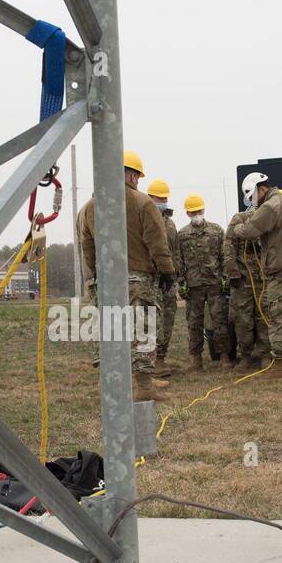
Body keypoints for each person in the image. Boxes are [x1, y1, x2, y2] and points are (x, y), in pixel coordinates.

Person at [78, 150, 177, 402]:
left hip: (105, 281)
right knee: (142, 332)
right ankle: (143, 386)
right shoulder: (142, 202)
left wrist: (96, 277)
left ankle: (108, 385)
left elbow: (87, 247)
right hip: (138, 280)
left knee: (111, 331)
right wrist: (166, 271)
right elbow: (157, 242)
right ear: (131, 175)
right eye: (137, 176)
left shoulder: (90, 206)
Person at [234, 172, 282, 378]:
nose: (253, 203)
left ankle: (280, 366)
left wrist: (237, 228)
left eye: (252, 197)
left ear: (261, 189)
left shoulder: (271, 206)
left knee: (280, 317)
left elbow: (250, 230)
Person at [176, 193, 230, 371]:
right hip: (193, 286)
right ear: (187, 214)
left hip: (215, 284)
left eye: (198, 211)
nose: (196, 214)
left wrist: (225, 278)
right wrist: (181, 282)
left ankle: (224, 356)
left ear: (204, 209)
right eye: (192, 212)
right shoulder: (182, 235)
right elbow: (179, 260)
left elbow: (224, 257)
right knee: (194, 323)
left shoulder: (216, 231)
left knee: (220, 321)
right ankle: (195, 358)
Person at [224, 205, 270, 373]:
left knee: (264, 315)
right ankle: (246, 356)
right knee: (242, 319)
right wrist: (233, 273)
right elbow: (228, 246)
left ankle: (266, 354)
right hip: (242, 279)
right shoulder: (239, 219)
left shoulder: (269, 218)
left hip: (264, 278)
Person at [148, 178, 180, 378]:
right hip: (150, 279)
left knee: (168, 317)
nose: (162, 201)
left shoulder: (170, 223)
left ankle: (160, 358)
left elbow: (174, 252)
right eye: (158, 198)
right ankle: (148, 361)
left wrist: (174, 275)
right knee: (151, 320)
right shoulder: (144, 217)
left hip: (168, 279)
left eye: (164, 198)